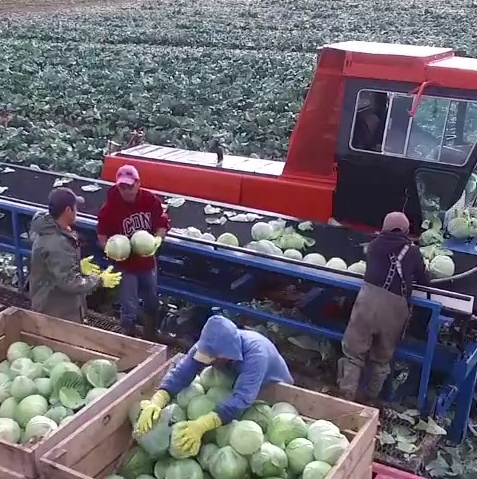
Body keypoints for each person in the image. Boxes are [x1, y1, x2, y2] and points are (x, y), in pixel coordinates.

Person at [133, 314, 293, 458]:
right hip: (240, 386)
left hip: (274, 390)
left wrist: (202, 425)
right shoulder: (209, 344)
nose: (209, 361)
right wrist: (157, 400)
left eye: (214, 358)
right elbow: (182, 372)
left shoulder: (256, 355)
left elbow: (242, 399)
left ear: (227, 355)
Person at [336, 212, 430, 404]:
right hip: (395, 308)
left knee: (354, 352)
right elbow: (424, 279)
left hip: (368, 301)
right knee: (381, 358)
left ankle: (346, 396)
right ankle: (371, 399)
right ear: (405, 230)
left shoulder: (374, 246)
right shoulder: (412, 252)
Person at [96, 164, 169, 339]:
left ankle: (151, 336)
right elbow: (101, 234)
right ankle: (128, 338)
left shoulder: (150, 200)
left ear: (138, 184)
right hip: (125, 265)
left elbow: (162, 223)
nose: (126, 190)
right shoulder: (110, 207)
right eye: (122, 186)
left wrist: (157, 239)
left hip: (146, 261)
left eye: (130, 186)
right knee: (129, 306)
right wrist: (108, 247)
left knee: (151, 301)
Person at [28, 187, 121, 323]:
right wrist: (99, 280)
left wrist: (77, 265)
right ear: (68, 210)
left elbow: (55, 269)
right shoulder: (57, 243)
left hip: (56, 304)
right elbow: (69, 282)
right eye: (75, 208)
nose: (77, 211)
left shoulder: (51, 230)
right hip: (55, 311)